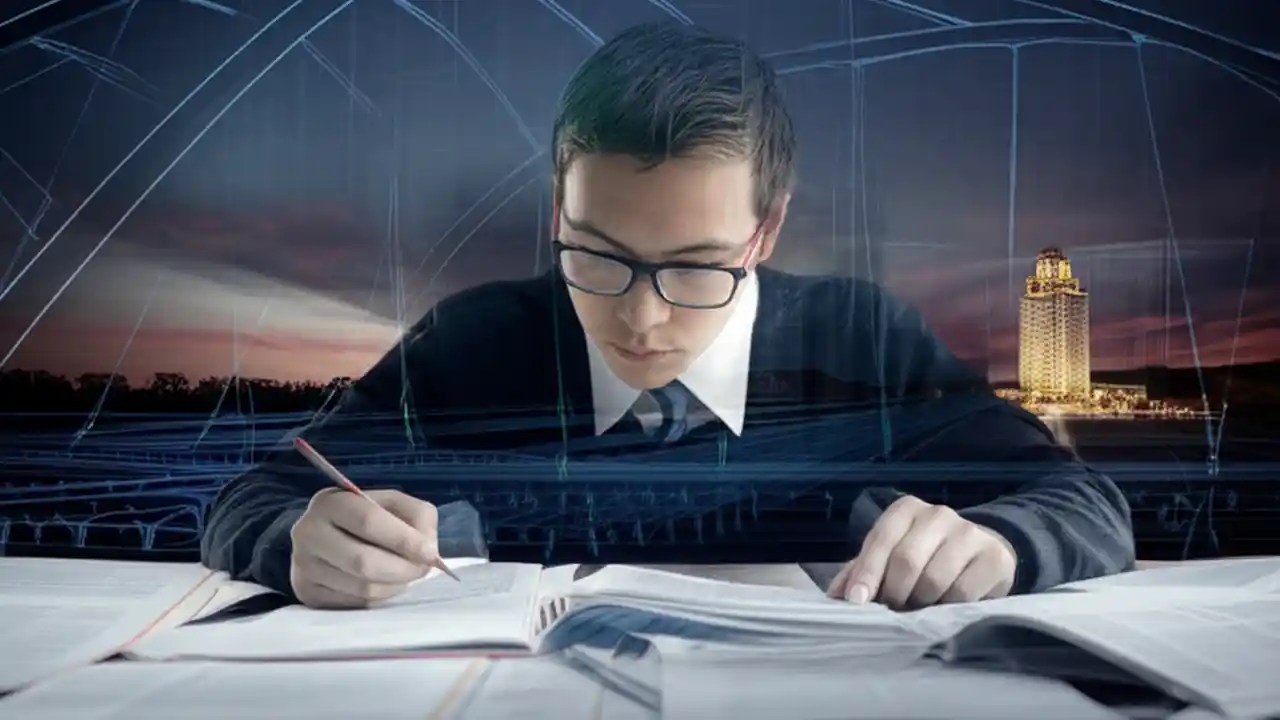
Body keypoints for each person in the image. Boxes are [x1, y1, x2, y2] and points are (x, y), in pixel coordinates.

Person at [201, 20, 1135, 610]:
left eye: (694, 269)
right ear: (555, 212)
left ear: (765, 231)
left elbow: (1087, 504)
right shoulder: (475, 340)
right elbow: (253, 498)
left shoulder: (862, 342)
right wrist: (295, 544)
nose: (641, 320)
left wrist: (1004, 545)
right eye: (596, 256)